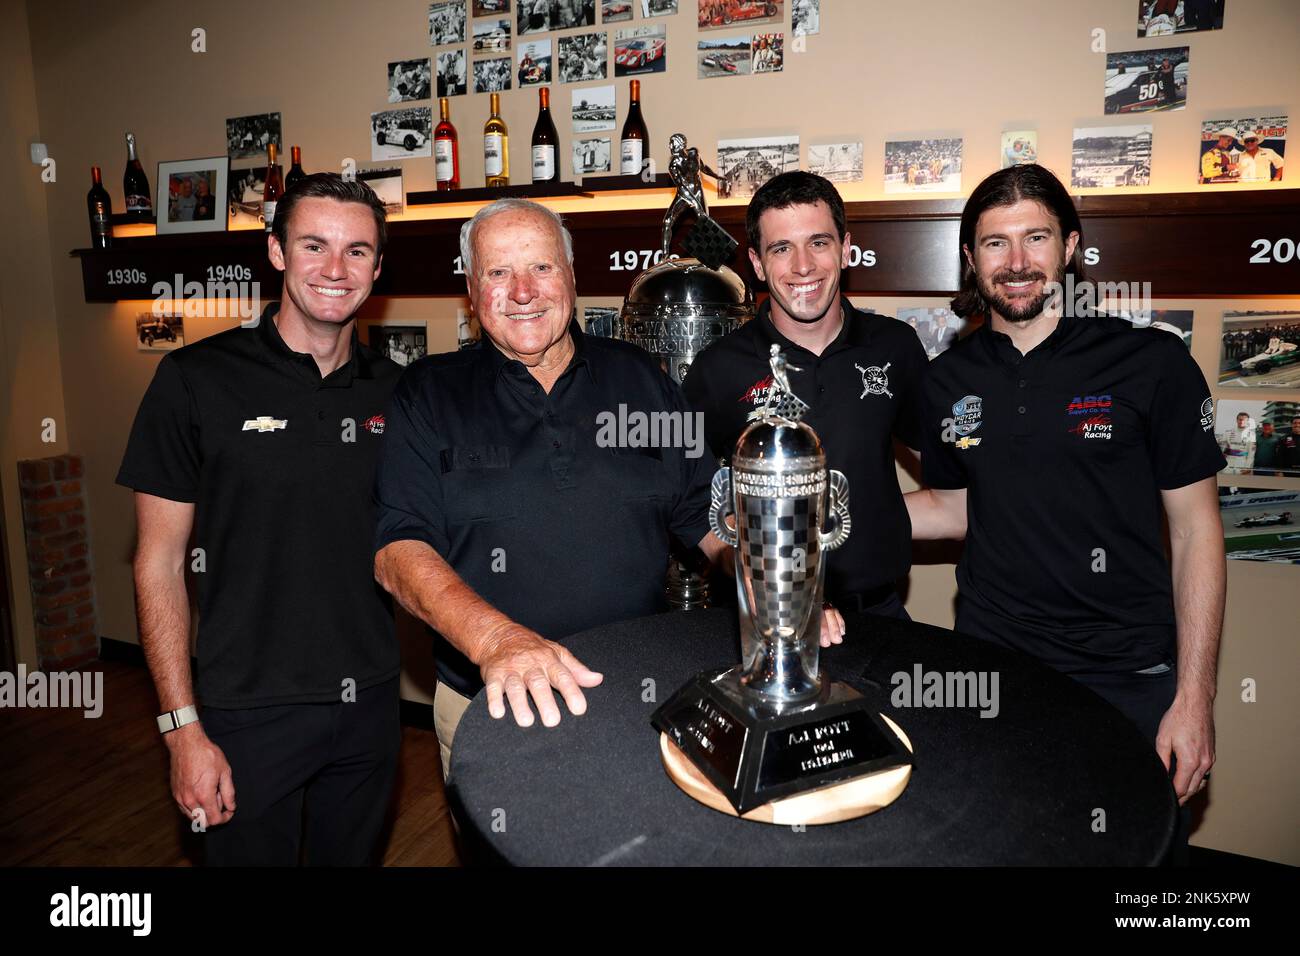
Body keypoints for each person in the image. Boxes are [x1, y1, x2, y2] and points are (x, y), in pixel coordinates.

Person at [905, 164, 1225, 861]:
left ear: (1071, 247)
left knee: (1128, 861)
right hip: (995, 672)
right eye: (995, 244)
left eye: (1036, 239)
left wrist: (1194, 697)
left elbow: (1198, 532)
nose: (1017, 263)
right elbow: (952, 507)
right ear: (969, 259)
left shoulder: (1150, 363)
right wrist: (827, 519)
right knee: (1004, 848)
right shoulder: (947, 381)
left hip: (1129, 679)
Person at [371, 198, 729, 776]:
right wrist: (499, 643)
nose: (522, 291)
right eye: (497, 272)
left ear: (570, 273)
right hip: (492, 704)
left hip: (640, 698)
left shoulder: (642, 379)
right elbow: (398, 552)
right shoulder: (427, 394)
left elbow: (710, 516)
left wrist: (777, 581)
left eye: (540, 267)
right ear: (471, 289)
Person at [117, 175, 403, 865]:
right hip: (244, 715)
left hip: (368, 706)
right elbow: (155, 563)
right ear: (275, 251)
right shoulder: (194, 380)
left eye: (357, 250)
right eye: (314, 245)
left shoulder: (398, 390)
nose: (336, 270)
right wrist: (182, 730)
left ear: (378, 268)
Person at [683, 171, 928, 633]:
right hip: (761, 620)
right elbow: (684, 497)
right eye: (781, 248)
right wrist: (758, 579)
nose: (802, 266)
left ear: (845, 247)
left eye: (818, 242)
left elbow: (951, 471)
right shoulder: (718, 369)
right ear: (756, 263)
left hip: (877, 615)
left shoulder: (895, 347)